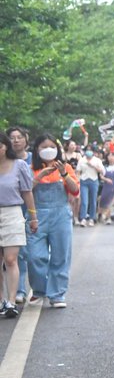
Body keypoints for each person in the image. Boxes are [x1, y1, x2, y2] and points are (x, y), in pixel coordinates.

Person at [27, 134, 79, 308]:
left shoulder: (65, 168)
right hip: (36, 215)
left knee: (61, 255)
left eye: (51, 146)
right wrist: (39, 175)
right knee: (35, 256)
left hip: (61, 215)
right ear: (36, 150)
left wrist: (64, 173)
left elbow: (75, 190)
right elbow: (24, 191)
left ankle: (57, 294)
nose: (48, 150)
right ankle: (39, 290)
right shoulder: (30, 168)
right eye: (43, 147)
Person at [0, 130, 37, 318]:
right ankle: (1, 300)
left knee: (11, 259)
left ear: (6, 146)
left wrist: (33, 217)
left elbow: (27, 191)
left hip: (12, 213)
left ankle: (12, 301)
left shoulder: (19, 165)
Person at [7, 127, 31, 306]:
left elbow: (28, 190)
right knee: (16, 256)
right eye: (12, 137)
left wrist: (33, 215)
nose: (15, 140)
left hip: (28, 209)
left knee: (31, 253)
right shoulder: (4, 161)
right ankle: (18, 292)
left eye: (19, 137)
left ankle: (37, 288)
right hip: (11, 210)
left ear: (26, 139)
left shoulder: (32, 159)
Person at [76, 144, 103, 226]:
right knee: (84, 201)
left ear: (93, 152)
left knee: (93, 201)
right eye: (87, 150)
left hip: (94, 181)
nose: (89, 152)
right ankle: (83, 218)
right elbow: (78, 171)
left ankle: (92, 218)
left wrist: (93, 165)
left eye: (90, 150)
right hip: (83, 180)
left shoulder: (97, 160)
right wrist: (77, 181)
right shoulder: (81, 160)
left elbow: (101, 171)